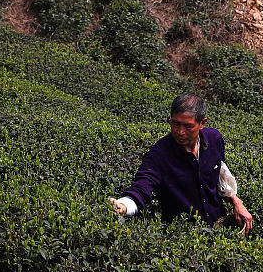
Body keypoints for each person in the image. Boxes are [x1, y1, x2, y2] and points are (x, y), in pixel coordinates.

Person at [109, 93, 254, 234]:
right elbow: (142, 186)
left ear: (202, 123)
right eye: (175, 124)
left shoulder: (215, 139)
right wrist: (124, 206)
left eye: (188, 126)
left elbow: (221, 174)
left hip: (219, 225)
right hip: (186, 236)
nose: (180, 132)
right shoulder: (159, 154)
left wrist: (236, 201)